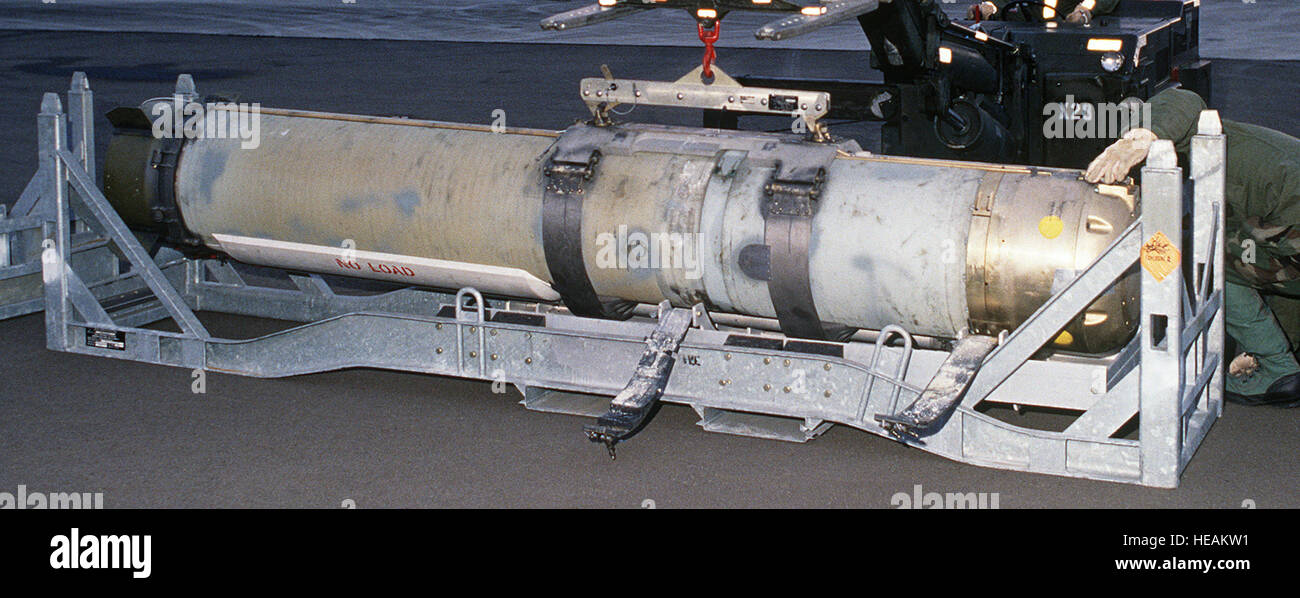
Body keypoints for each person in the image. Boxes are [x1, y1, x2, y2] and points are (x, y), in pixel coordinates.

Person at [1085, 87, 1300, 408]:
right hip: (1290, 239)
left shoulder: (1190, 137)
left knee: (1206, 257)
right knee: (1255, 255)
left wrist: (1137, 139)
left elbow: (1183, 100)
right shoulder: (1224, 151)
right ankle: (1281, 360)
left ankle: (1278, 368)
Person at [967, 0, 1118, 24]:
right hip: (1019, 38)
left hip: (1064, 34)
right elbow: (998, 4)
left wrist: (1085, 12)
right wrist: (983, 10)